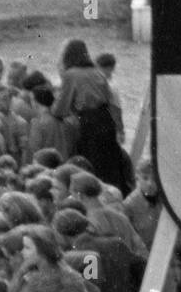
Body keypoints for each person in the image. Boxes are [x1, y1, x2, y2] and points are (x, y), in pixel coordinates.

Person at [53, 39, 132, 195]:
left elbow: (61, 109)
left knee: (91, 161)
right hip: (105, 119)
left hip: (88, 121)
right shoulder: (97, 72)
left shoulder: (71, 75)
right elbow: (110, 100)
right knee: (109, 162)